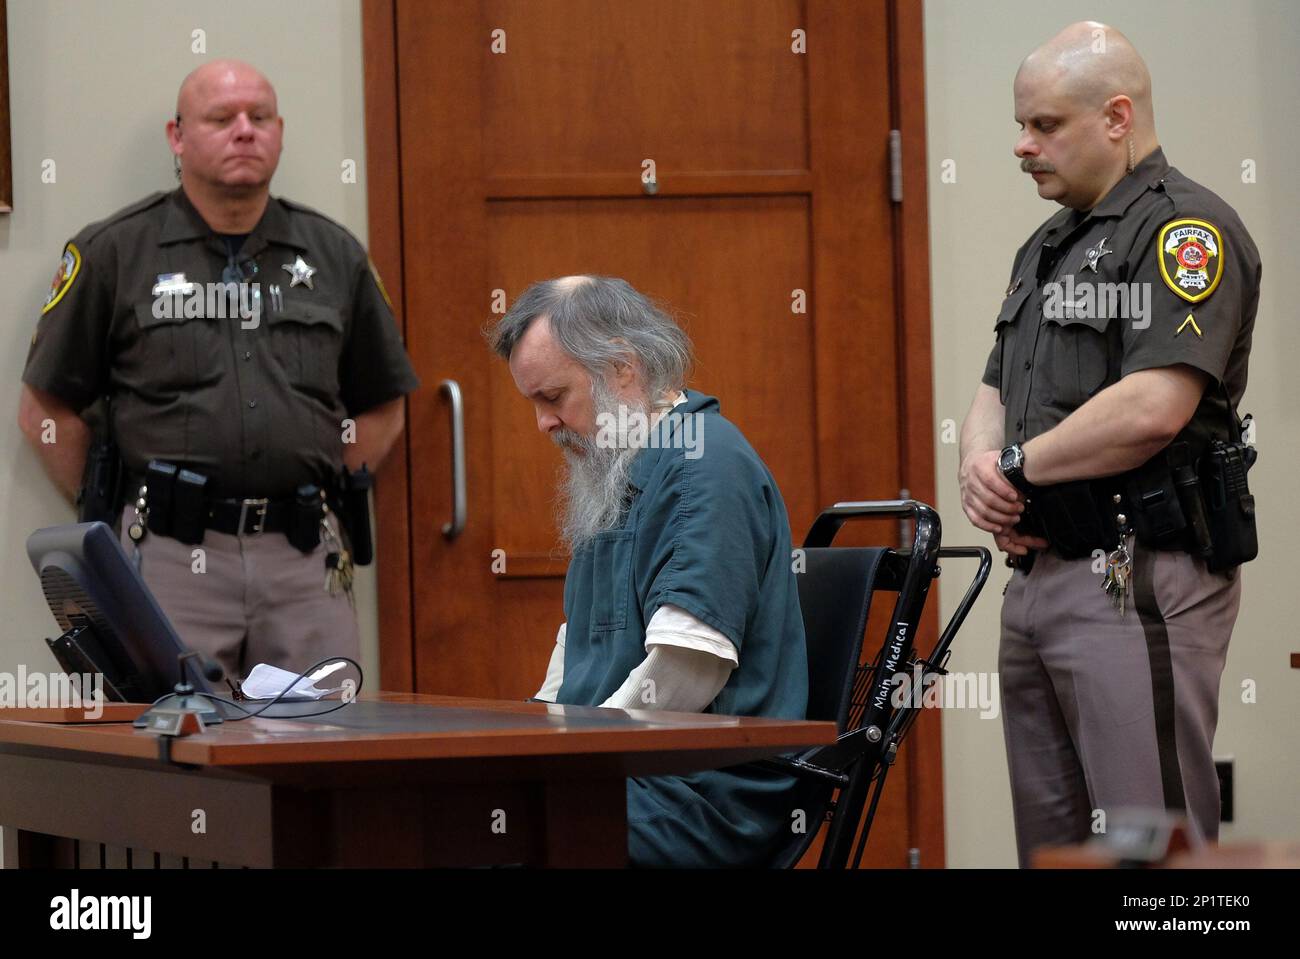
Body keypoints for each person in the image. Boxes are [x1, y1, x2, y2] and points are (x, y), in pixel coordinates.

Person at [958, 22, 1260, 866]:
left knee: (1148, 849)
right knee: (1054, 847)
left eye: (1044, 125)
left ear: (1118, 116)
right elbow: (994, 386)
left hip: (1136, 575)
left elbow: (1155, 405)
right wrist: (978, 469)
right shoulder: (1048, 243)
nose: (1022, 146)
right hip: (1039, 576)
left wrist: (1014, 469)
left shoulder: (1184, 231)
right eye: (1020, 124)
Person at [18, 60, 419, 681]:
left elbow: (383, 402)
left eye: (259, 118)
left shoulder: (333, 253)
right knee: (181, 749)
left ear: (279, 131)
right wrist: (118, 510)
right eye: (221, 118)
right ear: (177, 137)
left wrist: (314, 482)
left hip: (303, 556)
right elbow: (44, 409)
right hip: (170, 553)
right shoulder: (115, 252)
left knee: (322, 749)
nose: (244, 131)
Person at [490, 275, 809, 867]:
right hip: (631, 778)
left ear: (622, 370)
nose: (543, 423)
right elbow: (574, 654)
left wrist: (560, 766)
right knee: (467, 811)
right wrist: (528, 746)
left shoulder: (705, 466)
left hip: (703, 797)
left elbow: (684, 674)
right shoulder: (617, 472)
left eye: (553, 398)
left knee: (490, 835)